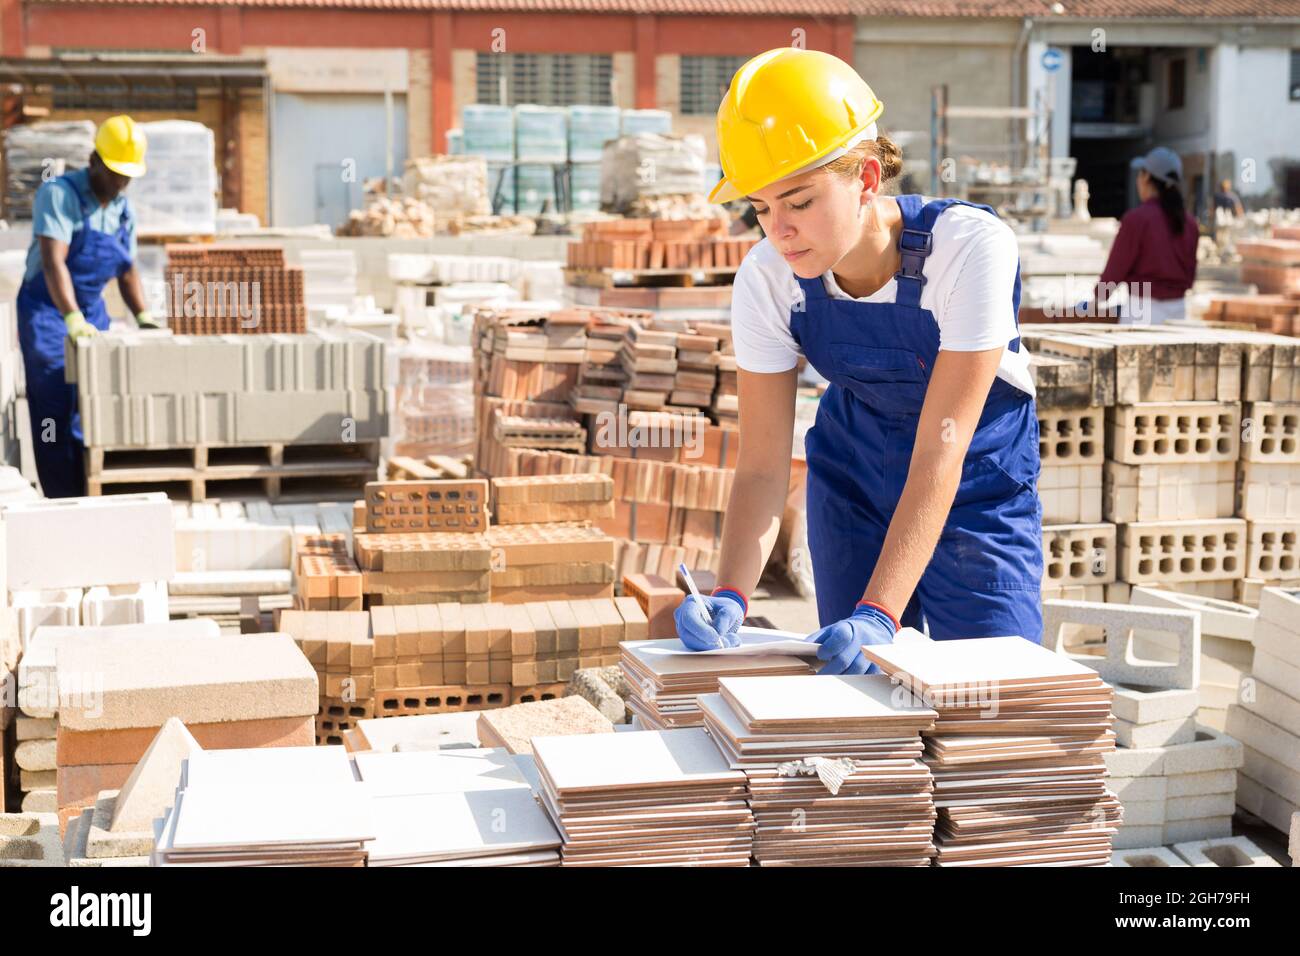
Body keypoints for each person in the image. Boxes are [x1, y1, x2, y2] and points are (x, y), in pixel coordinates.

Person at [673, 48, 1043, 675]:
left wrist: (881, 611)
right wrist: (730, 592)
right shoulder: (768, 280)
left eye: (798, 200)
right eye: (761, 209)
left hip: (974, 480)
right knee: (858, 697)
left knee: (991, 696)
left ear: (867, 179)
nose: (779, 231)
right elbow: (763, 465)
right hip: (853, 475)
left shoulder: (970, 250)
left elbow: (941, 451)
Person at [17, 115, 158, 498]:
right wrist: (71, 317)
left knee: (94, 404)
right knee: (53, 407)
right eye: (113, 174)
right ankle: (62, 500)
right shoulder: (59, 195)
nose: (119, 183)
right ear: (94, 160)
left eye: (126, 176)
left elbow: (127, 270)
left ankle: (92, 493)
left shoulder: (122, 211)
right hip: (49, 313)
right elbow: (53, 262)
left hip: (92, 313)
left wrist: (144, 316)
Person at [1085, 147, 1198, 325]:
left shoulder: (1137, 219)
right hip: (1178, 313)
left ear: (1145, 177)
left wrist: (1096, 300)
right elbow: (1190, 273)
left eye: (1140, 174)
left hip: (1142, 313)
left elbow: (1116, 268)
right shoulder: (1190, 223)